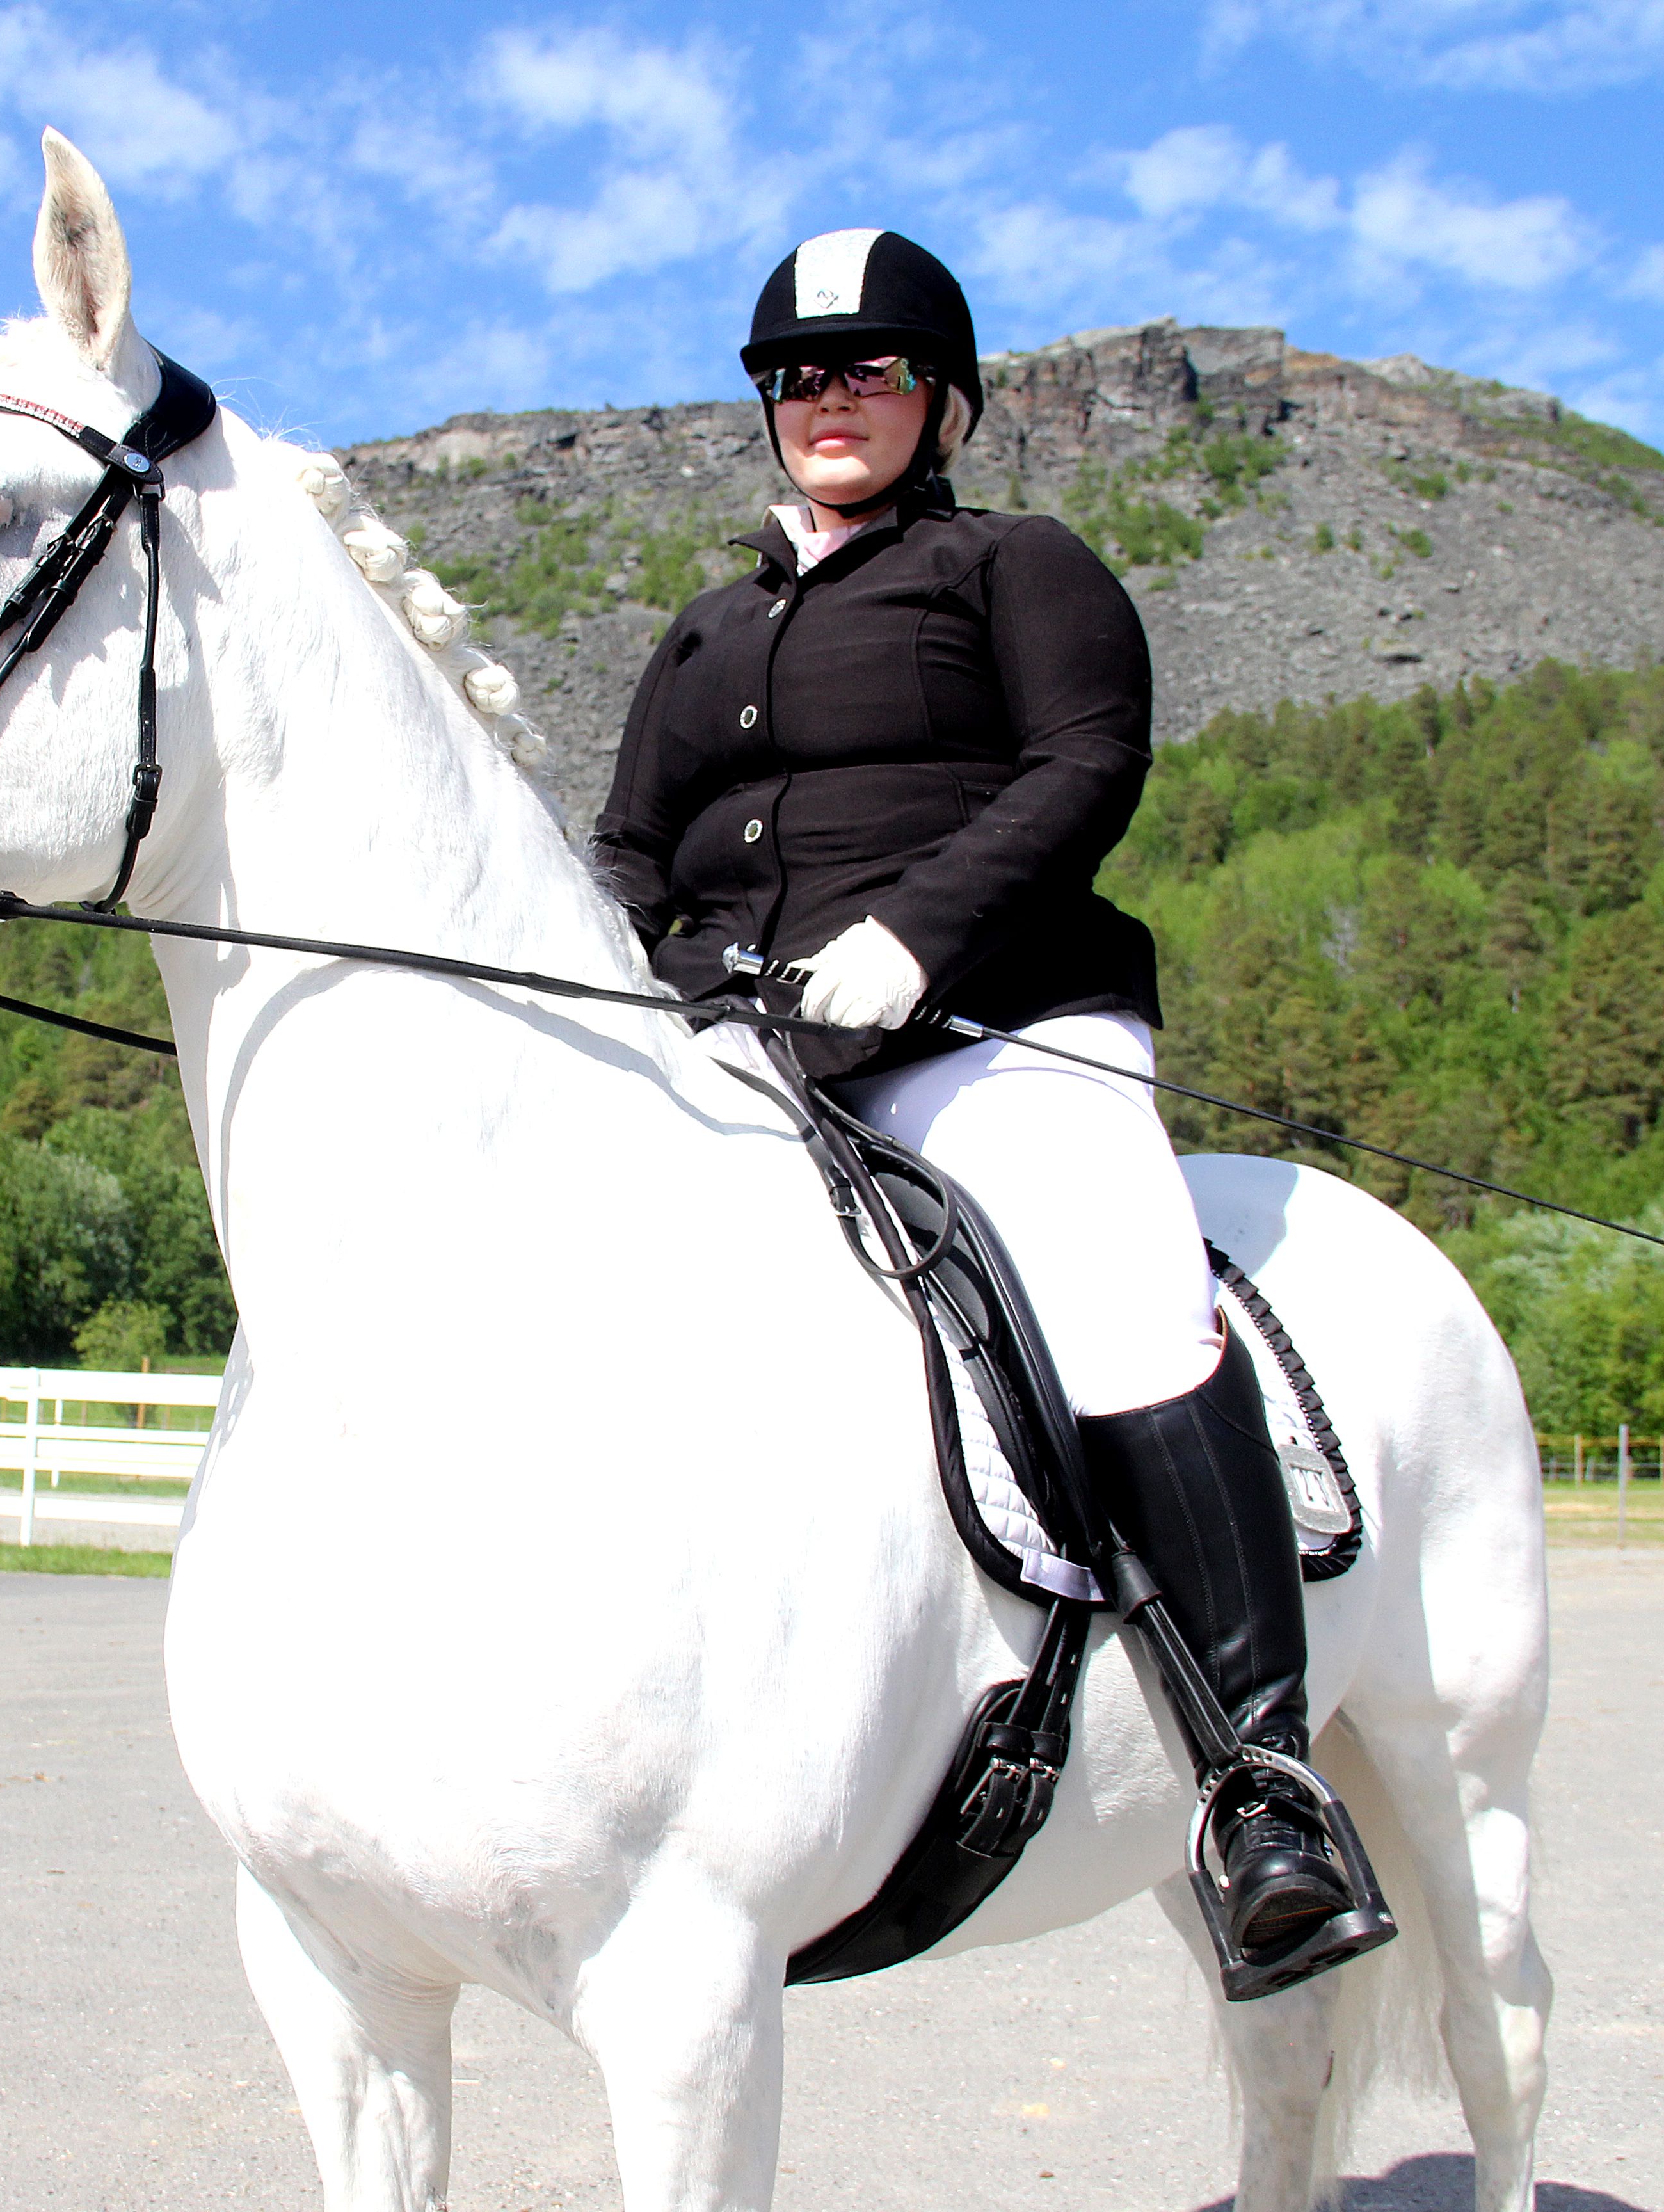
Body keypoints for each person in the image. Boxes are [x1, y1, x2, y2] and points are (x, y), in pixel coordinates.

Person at [589, 228, 1368, 1981]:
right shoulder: (704, 628)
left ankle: (1260, 1782)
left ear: (942, 400)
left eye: (866, 369)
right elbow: (631, 849)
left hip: (998, 1035)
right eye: (798, 374)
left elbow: (1089, 763)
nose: (827, 398)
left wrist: (913, 935)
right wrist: (671, 979)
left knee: (1114, 1302)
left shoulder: (1021, 567)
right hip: (751, 1056)